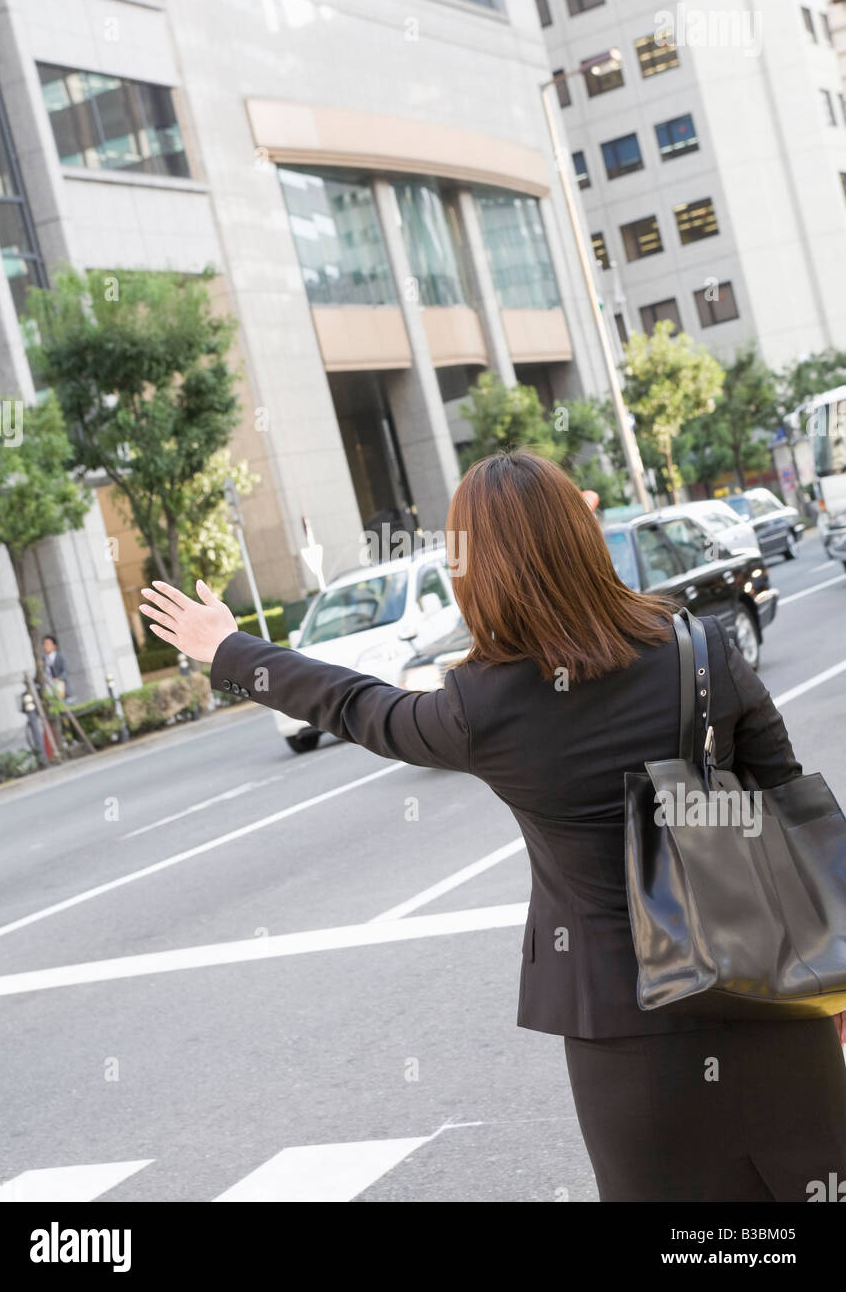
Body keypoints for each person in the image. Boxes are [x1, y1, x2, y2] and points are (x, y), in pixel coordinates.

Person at [138, 452, 846, 1203]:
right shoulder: (700, 651)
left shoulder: (478, 709)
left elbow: (355, 706)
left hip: (625, 1031)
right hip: (773, 996)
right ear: (587, 535)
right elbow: (793, 810)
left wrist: (230, 650)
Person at [41, 634, 71, 700]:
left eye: (48, 644)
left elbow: (66, 671)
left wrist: (58, 679)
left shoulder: (60, 657)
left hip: (62, 687)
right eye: (44, 644)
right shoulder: (42, 660)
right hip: (49, 687)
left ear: (54, 646)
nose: (45, 646)